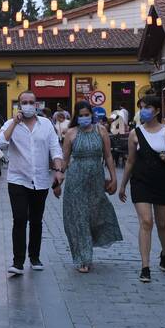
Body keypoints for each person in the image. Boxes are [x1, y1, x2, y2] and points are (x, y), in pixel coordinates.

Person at [0, 91, 65, 277]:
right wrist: (15, 122)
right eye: (24, 102)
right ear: (19, 105)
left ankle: (34, 257)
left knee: (36, 220)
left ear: (37, 105)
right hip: (18, 178)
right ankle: (18, 262)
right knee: (19, 219)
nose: (27, 105)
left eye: (31, 102)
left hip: (40, 179)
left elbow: (54, 148)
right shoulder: (11, 124)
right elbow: (0, 143)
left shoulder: (46, 125)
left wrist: (58, 170)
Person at [118, 93, 165, 283]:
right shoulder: (135, 133)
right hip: (141, 181)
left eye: (147, 107)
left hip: (162, 180)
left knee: (162, 224)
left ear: (157, 111)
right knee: (146, 222)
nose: (143, 111)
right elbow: (130, 161)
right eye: (141, 107)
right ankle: (145, 267)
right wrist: (123, 185)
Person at [59, 100, 123, 273]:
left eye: (87, 115)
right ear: (76, 116)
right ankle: (83, 258)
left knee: (94, 214)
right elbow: (64, 160)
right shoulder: (71, 133)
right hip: (76, 180)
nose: (84, 118)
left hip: (96, 180)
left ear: (92, 115)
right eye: (81, 115)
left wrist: (114, 178)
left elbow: (108, 156)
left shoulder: (101, 130)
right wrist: (58, 180)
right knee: (78, 217)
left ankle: (89, 247)